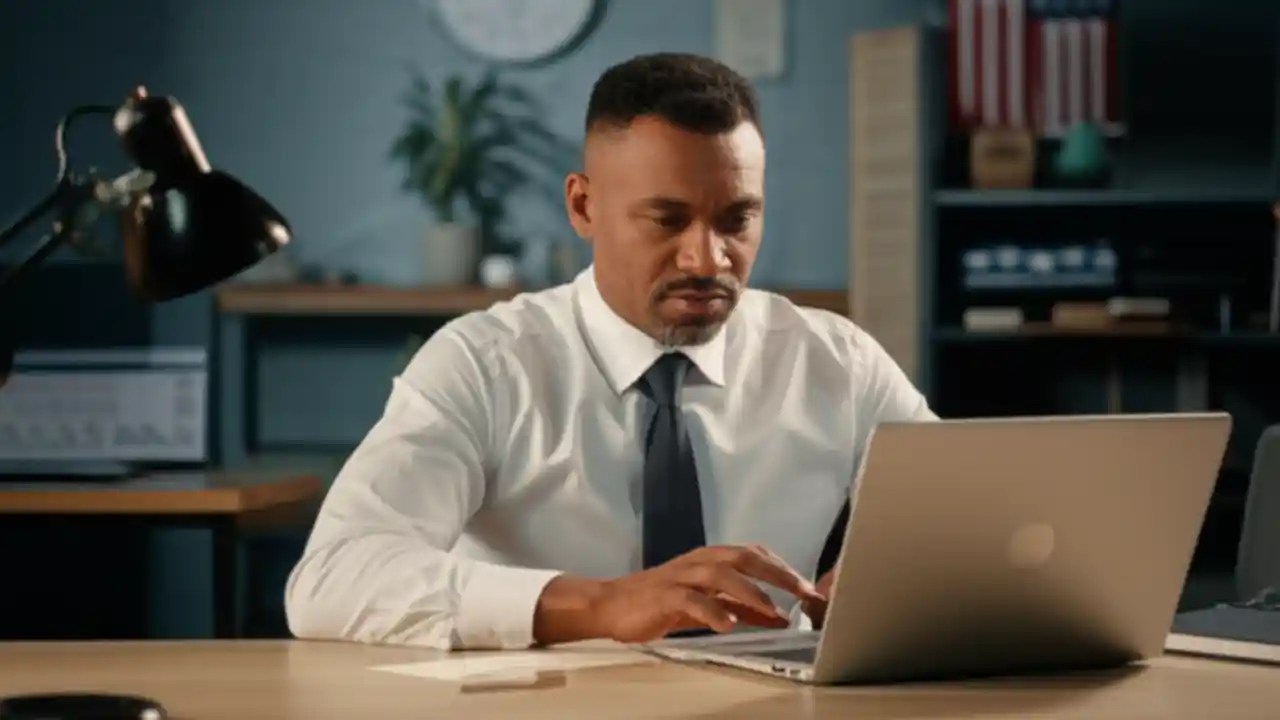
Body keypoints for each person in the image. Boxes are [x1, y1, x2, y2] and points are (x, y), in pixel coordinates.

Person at [284, 52, 935, 651]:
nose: (707, 258)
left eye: (736, 219)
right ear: (583, 205)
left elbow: (971, 526)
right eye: (667, 219)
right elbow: (331, 580)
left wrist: (898, 573)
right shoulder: (483, 365)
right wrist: (602, 604)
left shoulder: (838, 361)